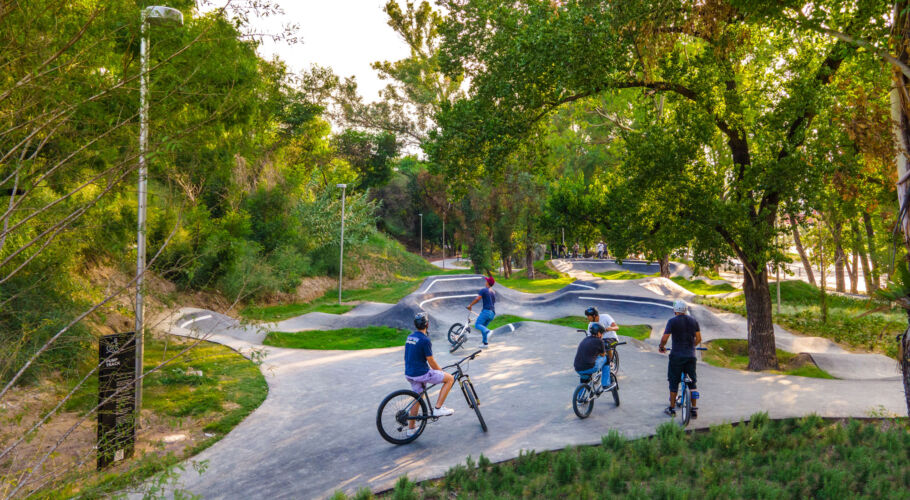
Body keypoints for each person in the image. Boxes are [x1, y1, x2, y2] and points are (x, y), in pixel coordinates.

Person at [405, 312, 455, 435]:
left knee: (418, 398)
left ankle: (411, 430)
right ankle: (438, 408)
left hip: (409, 373)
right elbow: (431, 361)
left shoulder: (410, 337)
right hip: (421, 373)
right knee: (450, 379)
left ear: (415, 325)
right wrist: (441, 371)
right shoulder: (425, 340)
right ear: (427, 324)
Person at [658, 299, 702, 418]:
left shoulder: (672, 321)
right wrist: (692, 347)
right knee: (693, 383)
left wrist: (661, 346)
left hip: (676, 356)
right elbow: (698, 338)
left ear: (675, 310)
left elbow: (664, 338)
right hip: (691, 356)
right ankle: (694, 410)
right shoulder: (694, 321)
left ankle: (671, 409)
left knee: (673, 382)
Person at [574, 322, 612, 389]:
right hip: (589, 368)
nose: (602, 335)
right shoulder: (600, 341)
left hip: (578, 368)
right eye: (602, 333)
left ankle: (580, 398)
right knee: (606, 358)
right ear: (599, 333)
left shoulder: (585, 339)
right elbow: (603, 355)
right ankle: (606, 384)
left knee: (584, 381)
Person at [467, 276, 496, 348]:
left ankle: (489, 331)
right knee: (483, 327)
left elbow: (477, 299)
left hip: (487, 311)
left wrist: (470, 305)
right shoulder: (493, 292)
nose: (485, 282)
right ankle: (485, 343)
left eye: (486, 281)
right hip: (492, 313)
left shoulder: (484, 290)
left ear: (487, 282)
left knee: (477, 324)